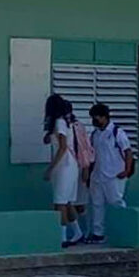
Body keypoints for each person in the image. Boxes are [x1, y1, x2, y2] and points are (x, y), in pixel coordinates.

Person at [84, 103, 135, 245]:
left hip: (114, 175)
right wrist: (89, 174)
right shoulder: (95, 134)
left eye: (97, 117)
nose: (94, 120)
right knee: (97, 204)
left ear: (104, 117)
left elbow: (128, 152)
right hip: (97, 175)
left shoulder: (117, 133)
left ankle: (124, 231)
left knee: (116, 202)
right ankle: (98, 233)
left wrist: (126, 170)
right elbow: (93, 156)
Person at [43, 94, 85, 247]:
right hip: (70, 165)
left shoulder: (60, 122)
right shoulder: (67, 122)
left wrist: (50, 168)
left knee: (59, 202)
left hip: (64, 165)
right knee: (67, 202)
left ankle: (62, 237)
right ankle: (77, 232)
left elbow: (62, 147)